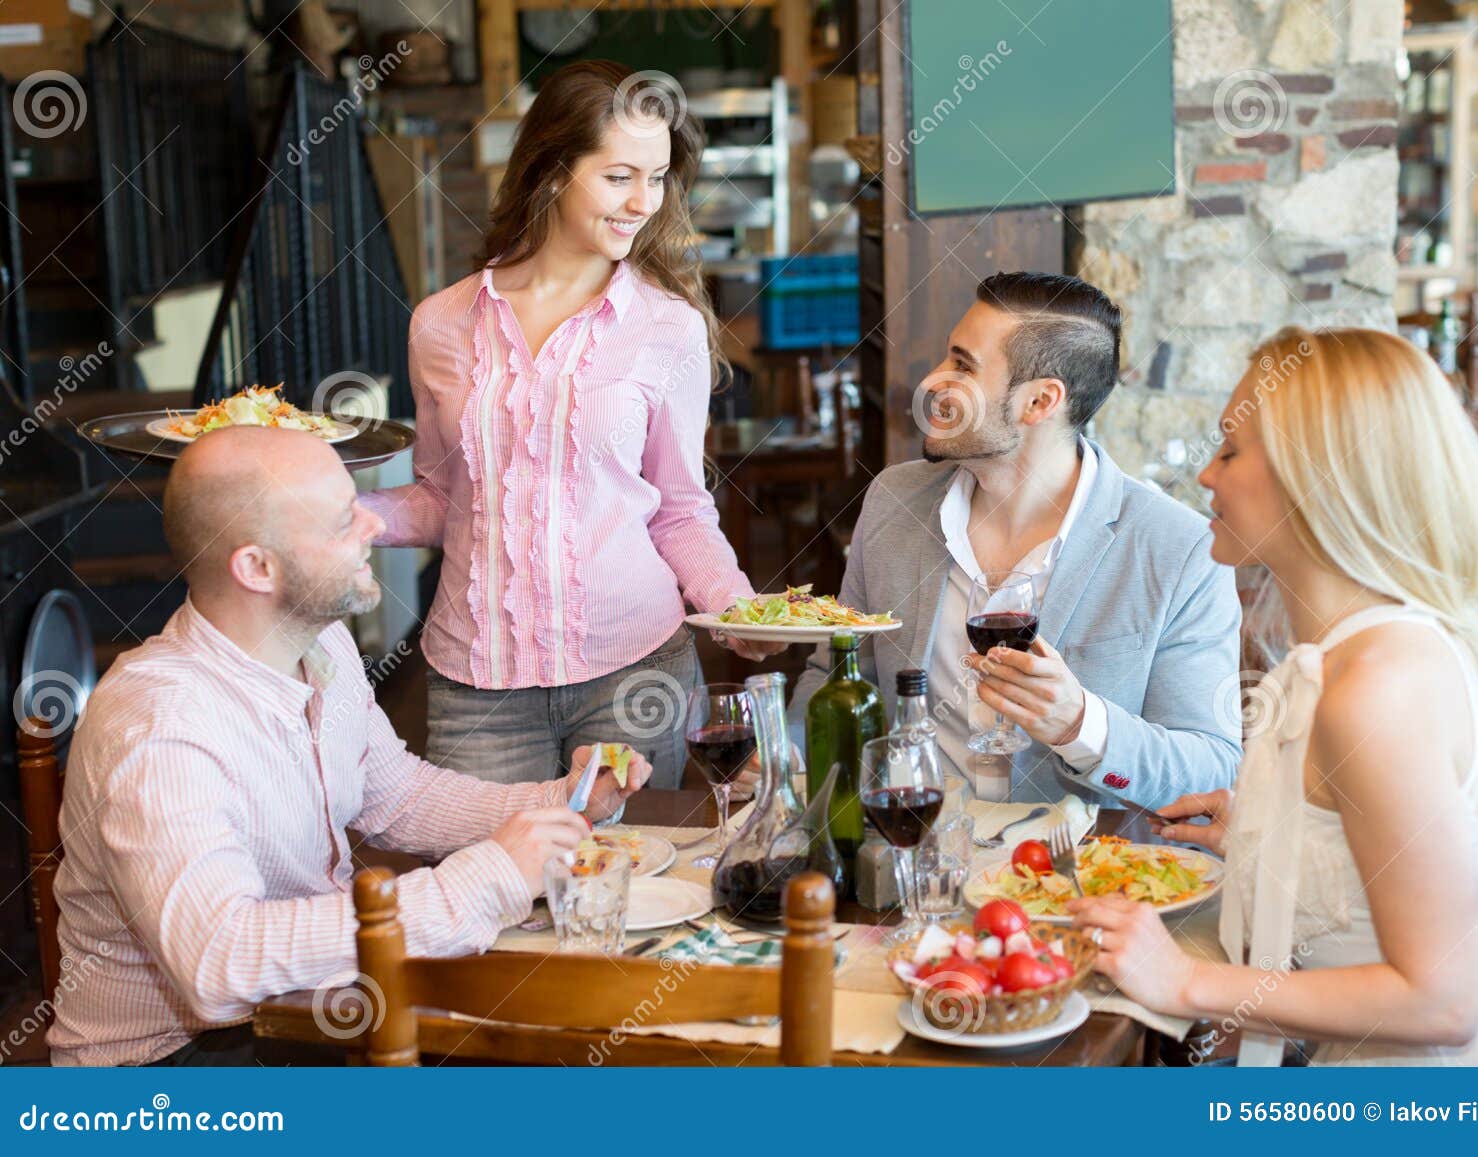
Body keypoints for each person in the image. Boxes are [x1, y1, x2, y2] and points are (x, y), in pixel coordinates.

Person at [1069, 326, 1478, 1065]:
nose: (1206, 476)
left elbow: (1442, 1001)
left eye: (1231, 452)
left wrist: (1184, 979)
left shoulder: (1375, 690)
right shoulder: (1367, 645)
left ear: (1315, 477)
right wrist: (1273, 835)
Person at [48, 428, 651, 1067]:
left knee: (574, 1022)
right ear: (256, 567)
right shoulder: (160, 726)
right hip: (177, 1062)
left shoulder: (319, 641)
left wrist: (563, 801)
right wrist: (490, 877)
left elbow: (397, 796)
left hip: (304, 1012)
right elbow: (220, 965)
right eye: (343, 521)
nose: (374, 525)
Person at [362, 60, 777, 791]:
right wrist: (333, 514)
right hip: (479, 684)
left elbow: (680, 509)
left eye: (657, 178)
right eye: (619, 177)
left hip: (634, 673)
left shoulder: (669, 328)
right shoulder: (440, 324)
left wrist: (735, 606)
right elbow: (442, 498)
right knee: (490, 863)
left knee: (630, 861)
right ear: (553, 171)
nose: (643, 202)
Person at [788, 272, 1242, 809]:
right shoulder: (894, 500)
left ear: (1040, 401)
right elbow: (837, 672)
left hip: (1082, 858)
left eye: (963, 366)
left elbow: (1210, 770)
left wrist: (1080, 723)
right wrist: (785, 756)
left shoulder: (1182, 550)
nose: (932, 382)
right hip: (912, 839)